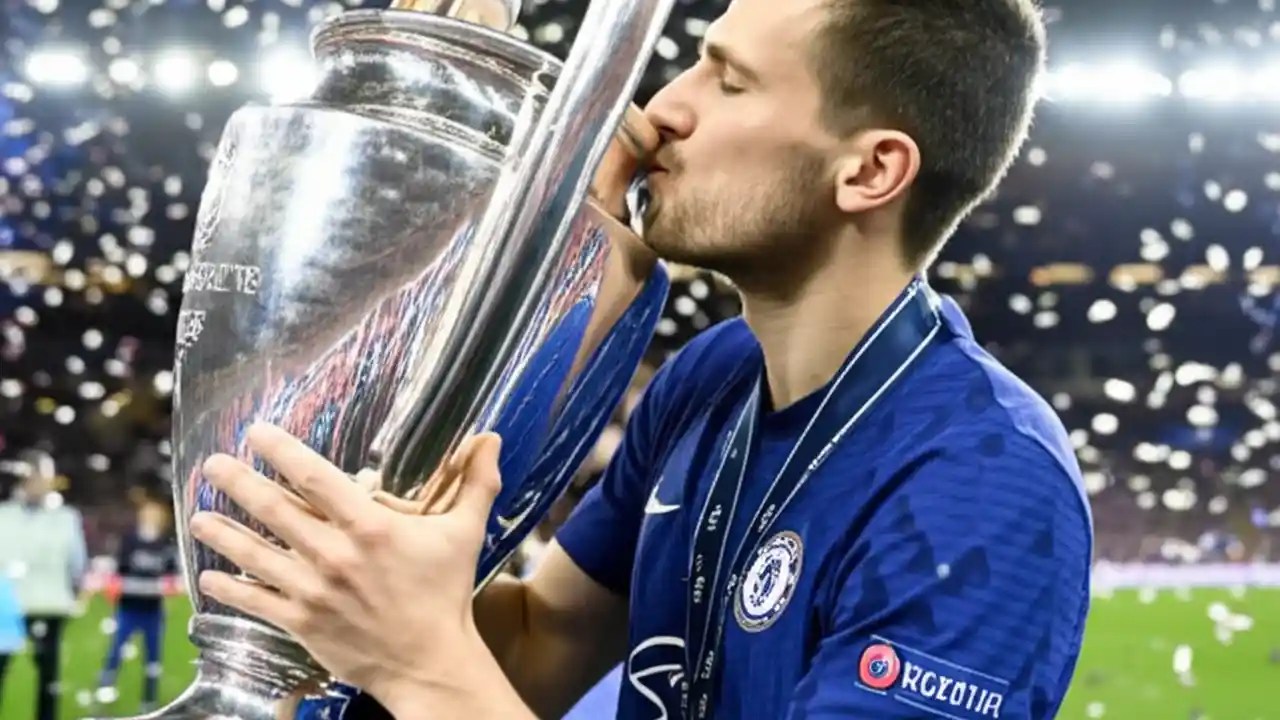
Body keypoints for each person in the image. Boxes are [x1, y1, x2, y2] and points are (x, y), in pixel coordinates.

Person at [186, 0, 1094, 718]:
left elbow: (434, 661)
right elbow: (541, 642)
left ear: (868, 172)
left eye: (728, 82)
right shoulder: (714, 378)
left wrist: (420, 662)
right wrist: (536, 244)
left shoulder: (985, 479)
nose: (663, 108)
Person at [0, 449, 88, 720]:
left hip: (49, 606)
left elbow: (77, 563)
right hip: (9, 605)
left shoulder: (66, 517)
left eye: (44, 476)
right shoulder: (4, 515)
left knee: (48, 681)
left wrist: (76, 594)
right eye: (35, 474)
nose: (40, 481)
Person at [96, 498, 179, 712]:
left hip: (153, 609)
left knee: (153, 656)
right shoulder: (129, 541)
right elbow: (118, 572)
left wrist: (161, 586)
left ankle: (149, 700)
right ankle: (105, 689)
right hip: (129, 607)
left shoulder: (164, 545)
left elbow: (171, 576)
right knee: (116, 650)